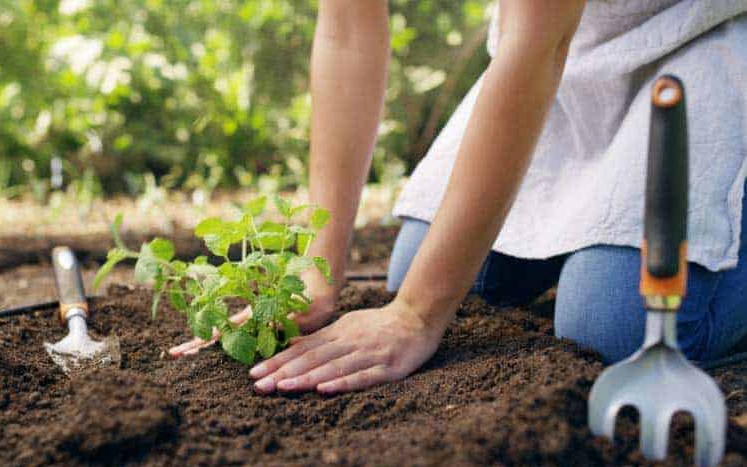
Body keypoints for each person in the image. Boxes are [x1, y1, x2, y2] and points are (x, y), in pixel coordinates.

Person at [170, 0, 747, 395]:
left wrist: (416, 315)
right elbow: (348, 32)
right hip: (575, 60)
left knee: (612, 327)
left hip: (707, 40)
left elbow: (538, 41)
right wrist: (319, 272)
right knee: (434, 273)